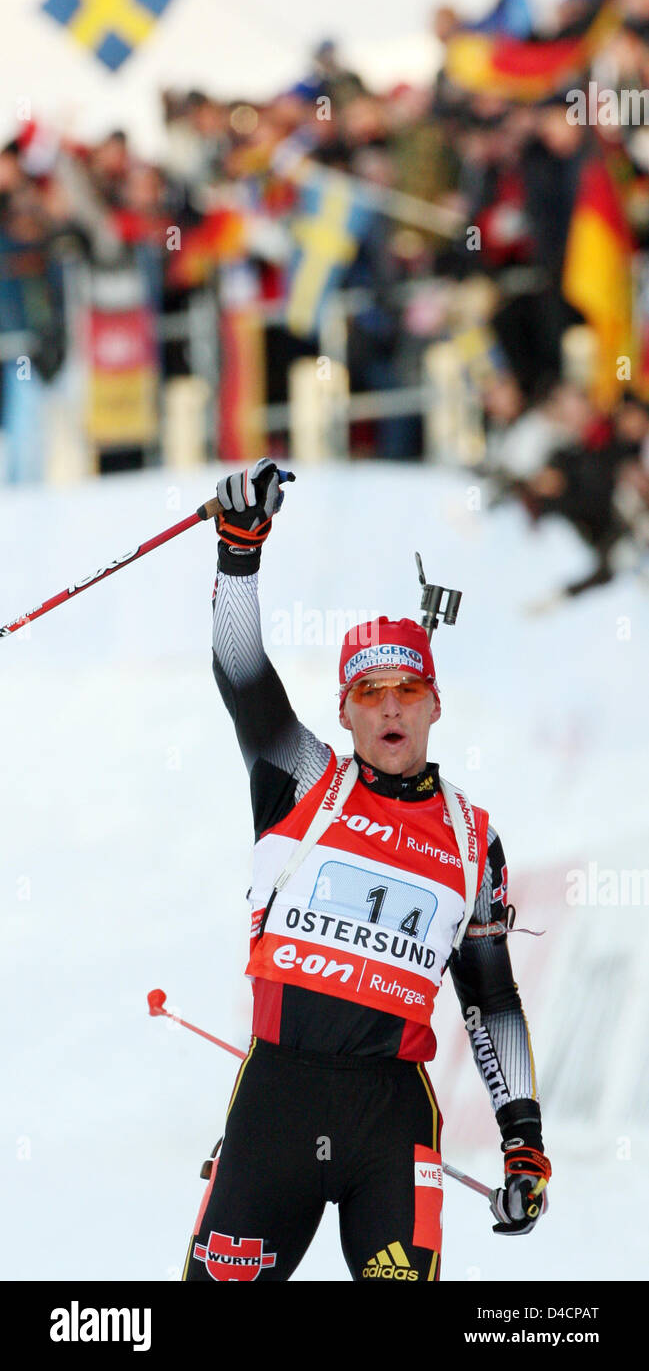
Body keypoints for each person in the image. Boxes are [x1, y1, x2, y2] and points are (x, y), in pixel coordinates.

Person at [183, 459, 551, 1283]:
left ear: (435, 702)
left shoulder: (470, 839)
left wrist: (521, 1139)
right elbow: (242, 675)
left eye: (408, 689)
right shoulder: (302, 781)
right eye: (370, 691)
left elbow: (490, 998)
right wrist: (239, 554)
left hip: (393, 1118)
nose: (390, 708)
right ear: (342, 710)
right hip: (276, 1101)